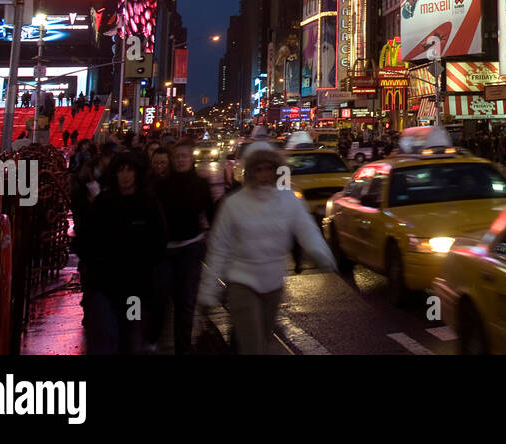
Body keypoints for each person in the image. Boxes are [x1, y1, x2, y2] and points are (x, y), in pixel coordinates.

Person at [197, 142, 334, 354]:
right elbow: (219, 249)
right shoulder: (234, 204)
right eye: (258, 169)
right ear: (250, 171)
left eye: (268, 168)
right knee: (254, 346)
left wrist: (321, 253)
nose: (264, 174)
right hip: (242, 283)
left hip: (273, 286)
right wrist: (208, 291)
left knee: (261, 339)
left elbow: (306, 229)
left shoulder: (287, 199)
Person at [80, 151, 167, 354]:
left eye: (130, 170)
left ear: (137, 173)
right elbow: (85, 237)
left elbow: (159, 242)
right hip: (105, 287)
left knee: (131, 336)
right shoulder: (103, 203)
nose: (126, 175)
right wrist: (97, 264)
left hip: (135, 290)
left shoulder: (149, 203)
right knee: (104, 338)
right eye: (121, 170)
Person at [152, 140, 215, 355]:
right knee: (160, 298)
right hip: (165, 251)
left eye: (184, 156)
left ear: (191, 159)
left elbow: (211, 214)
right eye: (177, 156)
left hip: (190, 248)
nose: (180, 160)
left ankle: (183, 348)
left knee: (185, 303)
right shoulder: (161, 186)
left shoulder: (200, 184)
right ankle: (151, 339)